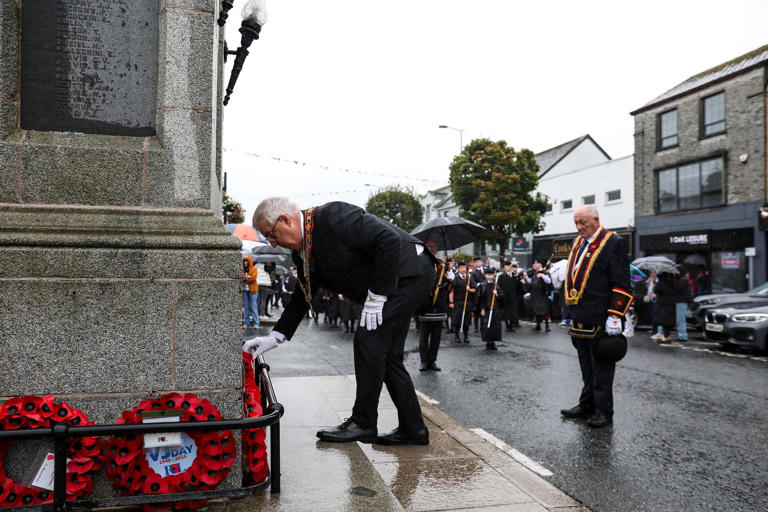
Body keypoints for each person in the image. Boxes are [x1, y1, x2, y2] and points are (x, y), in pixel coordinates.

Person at [244, 198, 437, 445]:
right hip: (398, 280)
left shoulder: (333, 216)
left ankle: (363, 423)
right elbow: (304, 295)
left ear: (285, 220)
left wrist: (377, 295)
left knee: (368, 341)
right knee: (388, 357)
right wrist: (275, 336)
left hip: (409, 271)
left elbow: (387, 240)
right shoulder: (302, 253)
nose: (273, 243)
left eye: (271, 235)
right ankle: (414, 430)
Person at [560, 205, 633, 428]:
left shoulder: (614, 242)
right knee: (586, 366)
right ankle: (587, 405)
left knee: (602, 367)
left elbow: (621, 283)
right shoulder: (578, 243)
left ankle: (604, 411)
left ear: (596, 220)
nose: (579, 227)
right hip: (581, 316)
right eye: (576, 223)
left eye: (583, 222)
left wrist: (615, 315)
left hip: (602, 316)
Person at [418, 240, 453, 371]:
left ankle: (432, 360)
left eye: (435, 247)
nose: (433, 249)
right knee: (424, 336)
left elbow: (449, 286)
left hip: (439, 305)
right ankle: (423, 361)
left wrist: (449, 277)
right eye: (430, 247)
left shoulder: (442, 266)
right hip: (425, 303)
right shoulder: (421, 262)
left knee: (436, 336)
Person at [477, 267, 503, 350]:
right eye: (488, 275)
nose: (490, 276)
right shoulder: (482, 285)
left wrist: (497, 294)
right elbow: (479, 298)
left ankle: (493, 341)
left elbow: (502, 296)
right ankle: (488, 341)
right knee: (486, 325)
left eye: (491, 275)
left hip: (495, 308)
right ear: (485, 275)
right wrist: (482, 308)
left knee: (495, 325)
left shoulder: (496, 285)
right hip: (486, 308)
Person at [449, 261, 475, 343]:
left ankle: (466, 336)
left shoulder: (469, 278)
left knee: (466, 321)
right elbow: (451, 291)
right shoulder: (455, 279)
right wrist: (451, 302)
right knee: (457, 320)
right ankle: (457, 336)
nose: (464, 269)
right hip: (457, 302)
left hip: (467, 302)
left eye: (465, 268)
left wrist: (469, 289)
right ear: (458, 269)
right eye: (462, 268)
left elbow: (474, 289)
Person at [525, 260, 552, 331]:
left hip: (542, 295)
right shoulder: (534, 273)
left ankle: (547, 326)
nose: (534, 266)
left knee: (545, 310)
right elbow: (531, 282)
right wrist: (526, 277)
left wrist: (542, 276)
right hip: (535, 295)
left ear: (539, 265)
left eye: (535, 264)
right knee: (536, 310)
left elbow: (549, 281)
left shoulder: (545, 272)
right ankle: (538, 325)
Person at [498, 260, 523, 332]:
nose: (509, 267)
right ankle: (507, 325)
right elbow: (499, 286)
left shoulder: (515, 275)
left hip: (513, 296)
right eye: (507, 266)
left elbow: (518, 286)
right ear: (504, 267)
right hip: (505, 296)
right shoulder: (501, 276)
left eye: (510, 266)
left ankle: (511, 325)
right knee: (506, 312)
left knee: (513, 312)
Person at [653, 273, 677, 344]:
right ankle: (667, 336)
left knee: (664, 321)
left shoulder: (661, 283)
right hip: (671, 304)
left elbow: (656, 290)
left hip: (663, 305)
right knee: (668, 321)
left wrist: (655, 284)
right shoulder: (672, 282)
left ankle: (665, 337)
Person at [241, 256, 259, 328]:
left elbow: (253, 278)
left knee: (253, 307)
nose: (245, 262)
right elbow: (240, 278)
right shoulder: (242, 270)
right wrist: (247, 277)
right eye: (244, 261)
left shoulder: (254, 269)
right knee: (246, 307)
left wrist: (245, 278)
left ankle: (256, 324)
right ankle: (246, 323)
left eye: (247, 261)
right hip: (245, 291)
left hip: (253, 291)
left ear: (250, 262)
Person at [469, 257, 485, 333]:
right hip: (477, 294)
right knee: (477, 311)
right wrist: (480, 285)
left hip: (485, 294)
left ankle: (483, 326)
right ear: (474, 264)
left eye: (479, 261)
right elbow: (473, 283)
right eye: (476, 262)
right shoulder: (473, 273)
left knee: (484, 310)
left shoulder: (485, 270)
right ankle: (476, 326)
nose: (478, 263)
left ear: (481, 262)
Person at [675, 272, 692, 341]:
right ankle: (681, 335)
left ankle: (683, 336)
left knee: (681, 319)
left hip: (681, 302)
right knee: (680, 319)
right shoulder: (683, 280)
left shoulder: (682, 280)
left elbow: (677, 289)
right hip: (682, 301)